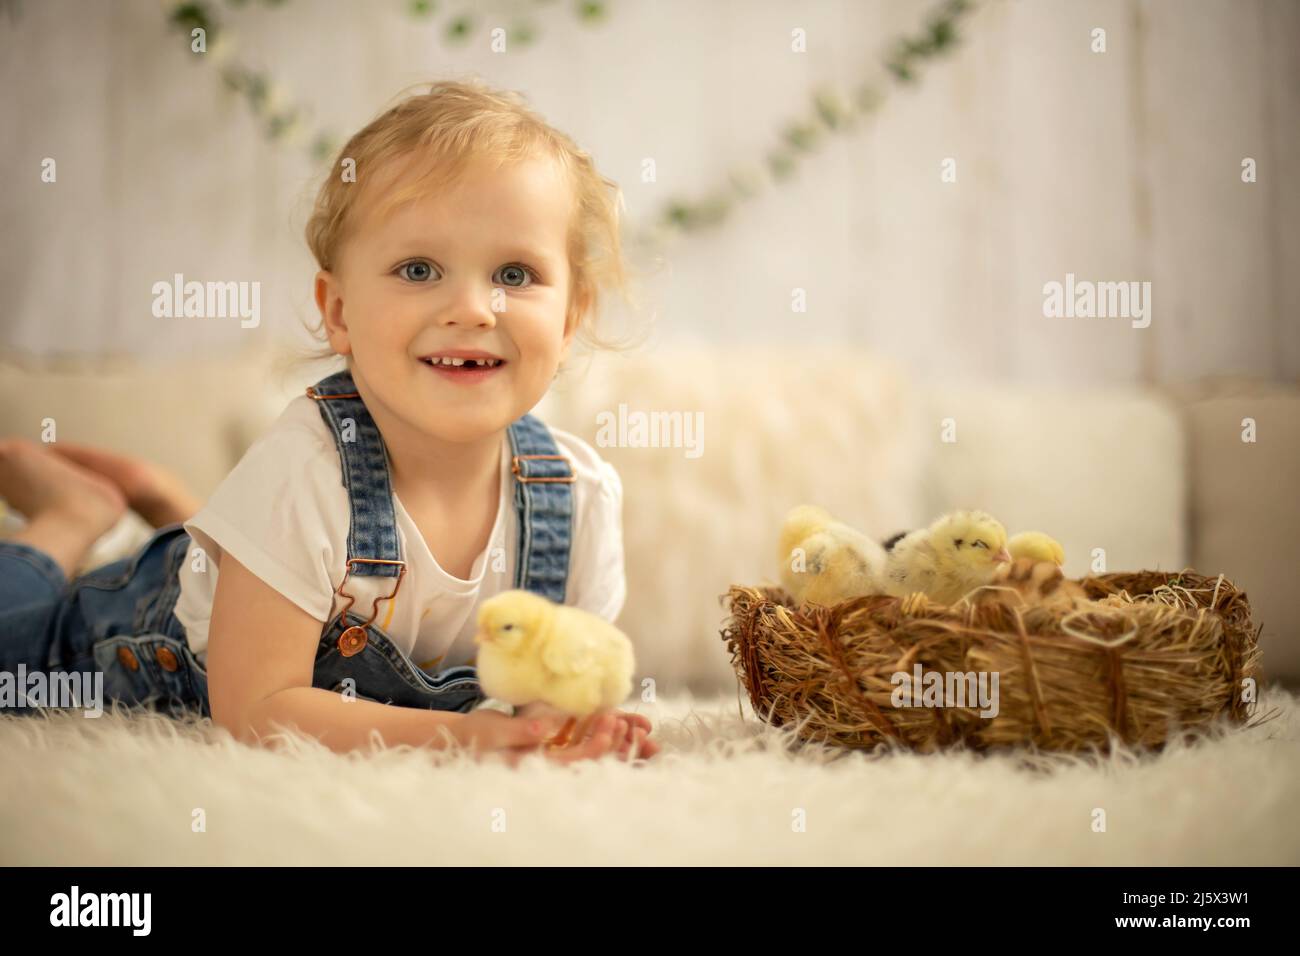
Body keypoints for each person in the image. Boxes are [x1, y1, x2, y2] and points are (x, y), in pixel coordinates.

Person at [0, 79, 659, 766]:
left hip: (263, 566)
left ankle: (182, 514)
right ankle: (71, 515)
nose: (473, 308)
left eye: (515, 275)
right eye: (418, 268)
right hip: (113, 639)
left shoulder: (577, 499)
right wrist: (462, 739)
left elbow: (550, 687)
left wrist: (559, 733)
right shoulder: (307, 471)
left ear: (572, 316)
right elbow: (255, 706)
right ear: (338, 310)